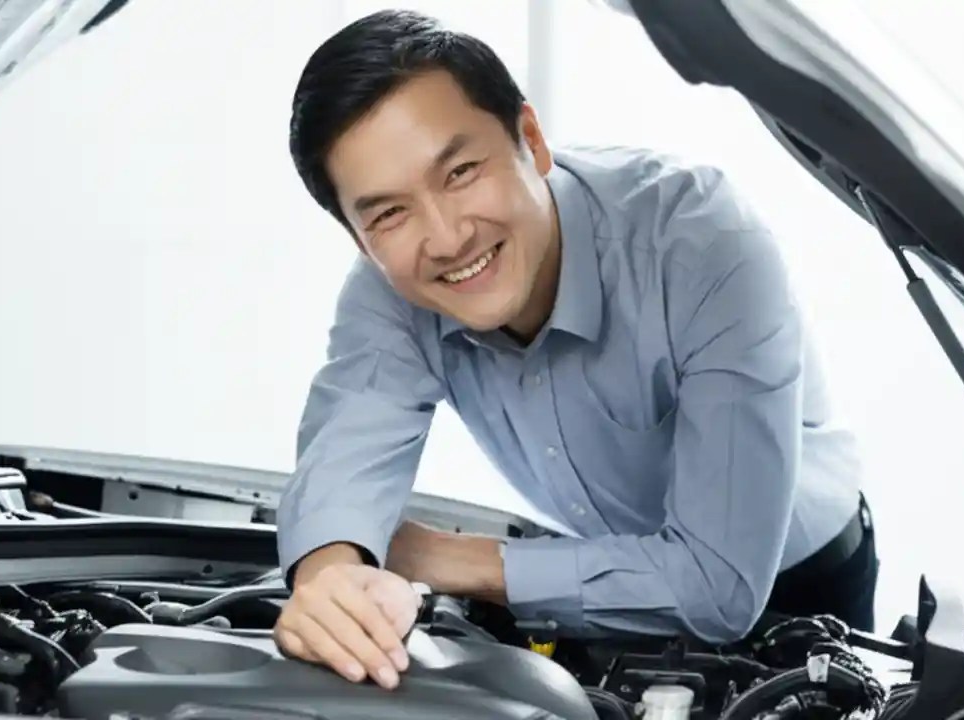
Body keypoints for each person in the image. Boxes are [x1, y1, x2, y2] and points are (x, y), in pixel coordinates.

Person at [273, 8, 878, 691]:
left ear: (531, 140)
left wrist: (441, 558)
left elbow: (718, 587)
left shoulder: (703, 243)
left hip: (800, 584)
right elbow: (342, 460)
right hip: (604, 583)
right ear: (358, 237)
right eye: (388, 213)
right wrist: (332, 580)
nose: (445, 238)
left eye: (461, 171)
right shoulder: (392, 289)